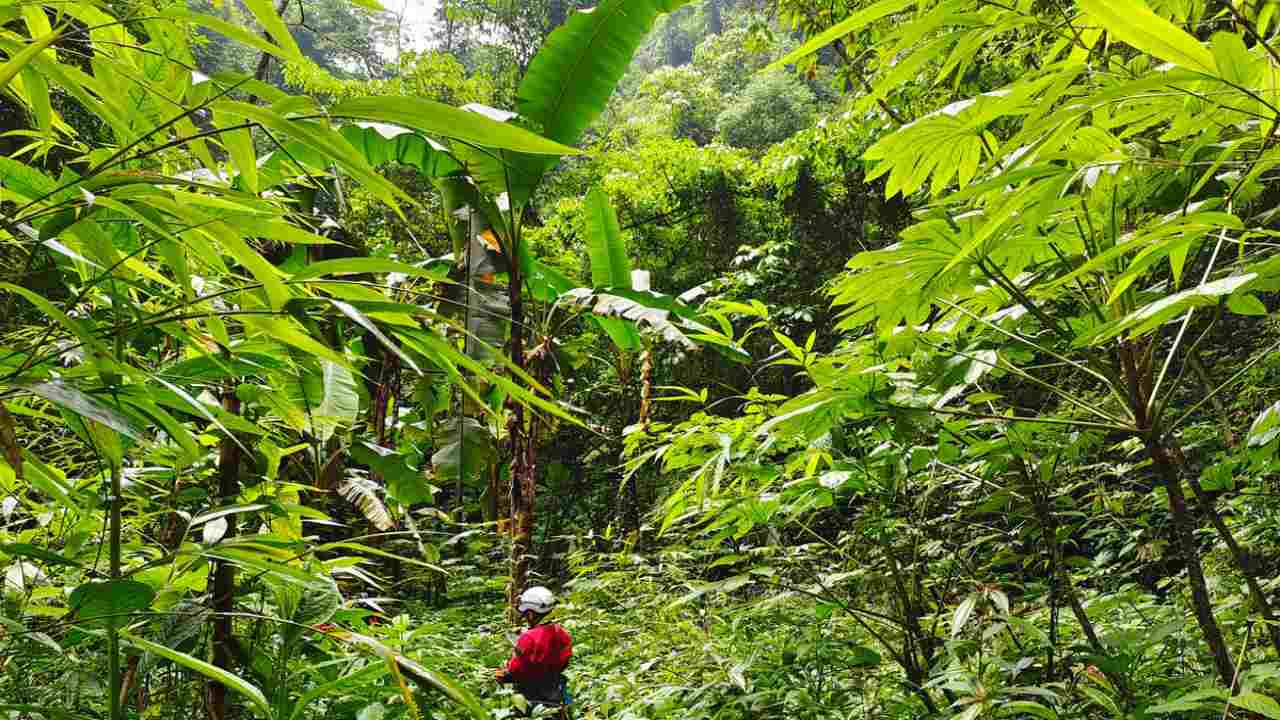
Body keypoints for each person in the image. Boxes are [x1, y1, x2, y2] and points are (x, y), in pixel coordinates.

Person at [495, 586, 573, 718]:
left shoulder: (528, 637)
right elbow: (564, 661)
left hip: (531, 695)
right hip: (555, 690)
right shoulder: (561, 632)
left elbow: (516, 669)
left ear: (531, 614)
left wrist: (504, 675)